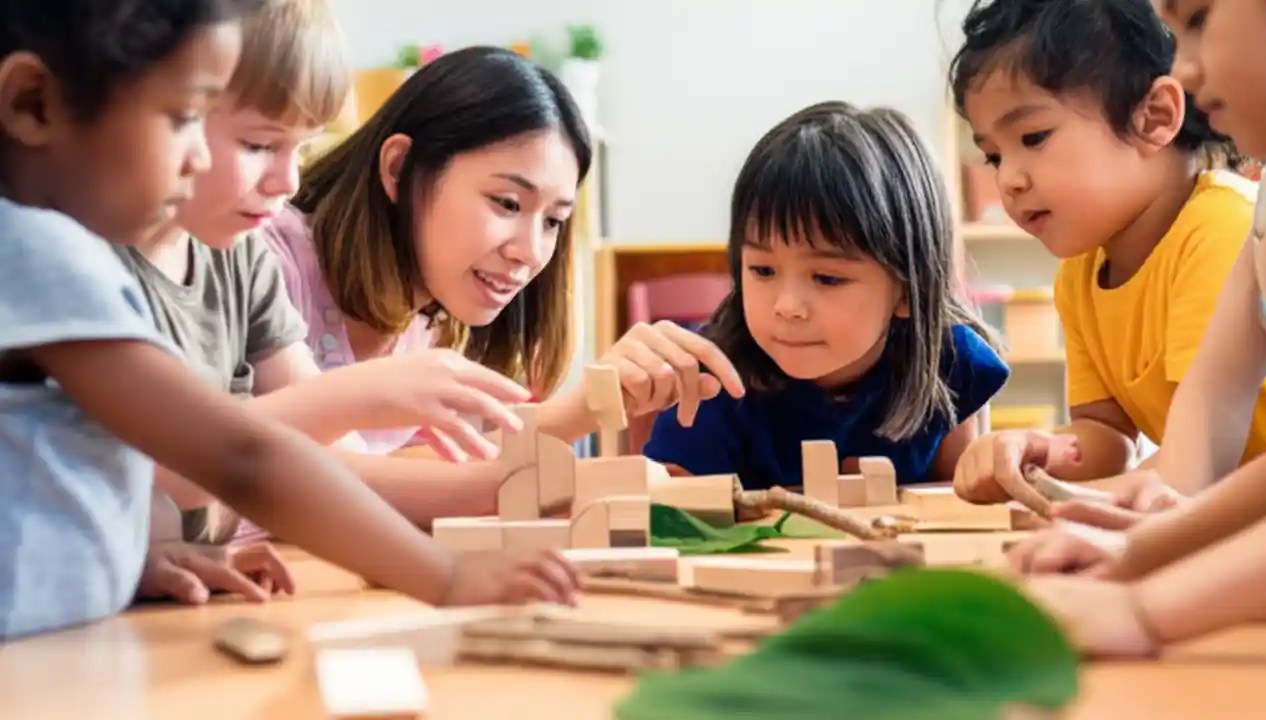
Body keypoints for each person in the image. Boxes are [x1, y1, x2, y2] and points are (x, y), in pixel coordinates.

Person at [0, 0, 577, 641]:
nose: (193, 159)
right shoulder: (36, 253)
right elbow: (240, 456)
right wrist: (446, 578)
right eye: (183, 118)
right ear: (32, 104)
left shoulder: (59, 257)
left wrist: (132, 557)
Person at [121, 0, 531, 550]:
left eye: (304, 147)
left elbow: (323, 479)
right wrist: (361, 394)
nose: (288, 181)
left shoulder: (240, 259)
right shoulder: (85, 262)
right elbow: (150, 470)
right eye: (260, 145)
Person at [266, 45, 745, 458]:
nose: (530, 253)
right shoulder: (270, 264)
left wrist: (595, 403)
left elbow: (436, 469)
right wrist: (581, 410)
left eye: (554, 221)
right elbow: (325, 479)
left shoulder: (435, 314)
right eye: (508, 203)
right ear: (399, 168)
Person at [1009, 0, 1266, 659]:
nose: (1183, 68)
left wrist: (1145, 607)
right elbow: (1207, 420)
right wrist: (1132, 552)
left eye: (1196, 19)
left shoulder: (1222, 215)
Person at [948, 0, 1266, 509]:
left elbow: (1208, 457)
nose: (1008, 178)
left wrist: (1084, 505)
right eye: (993, 155)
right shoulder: (1080, 274)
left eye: (1034, 137)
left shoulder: (1219, 229)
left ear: (1155, 116)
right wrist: (1047, 451)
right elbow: (1107, 432)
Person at [642, 102, 1009, 488]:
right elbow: (671, 518)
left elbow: (960, 508)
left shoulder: (952, 363)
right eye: (763, 270)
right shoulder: (711, 381)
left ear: (908, 290)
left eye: (827, 278)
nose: (787, 306)